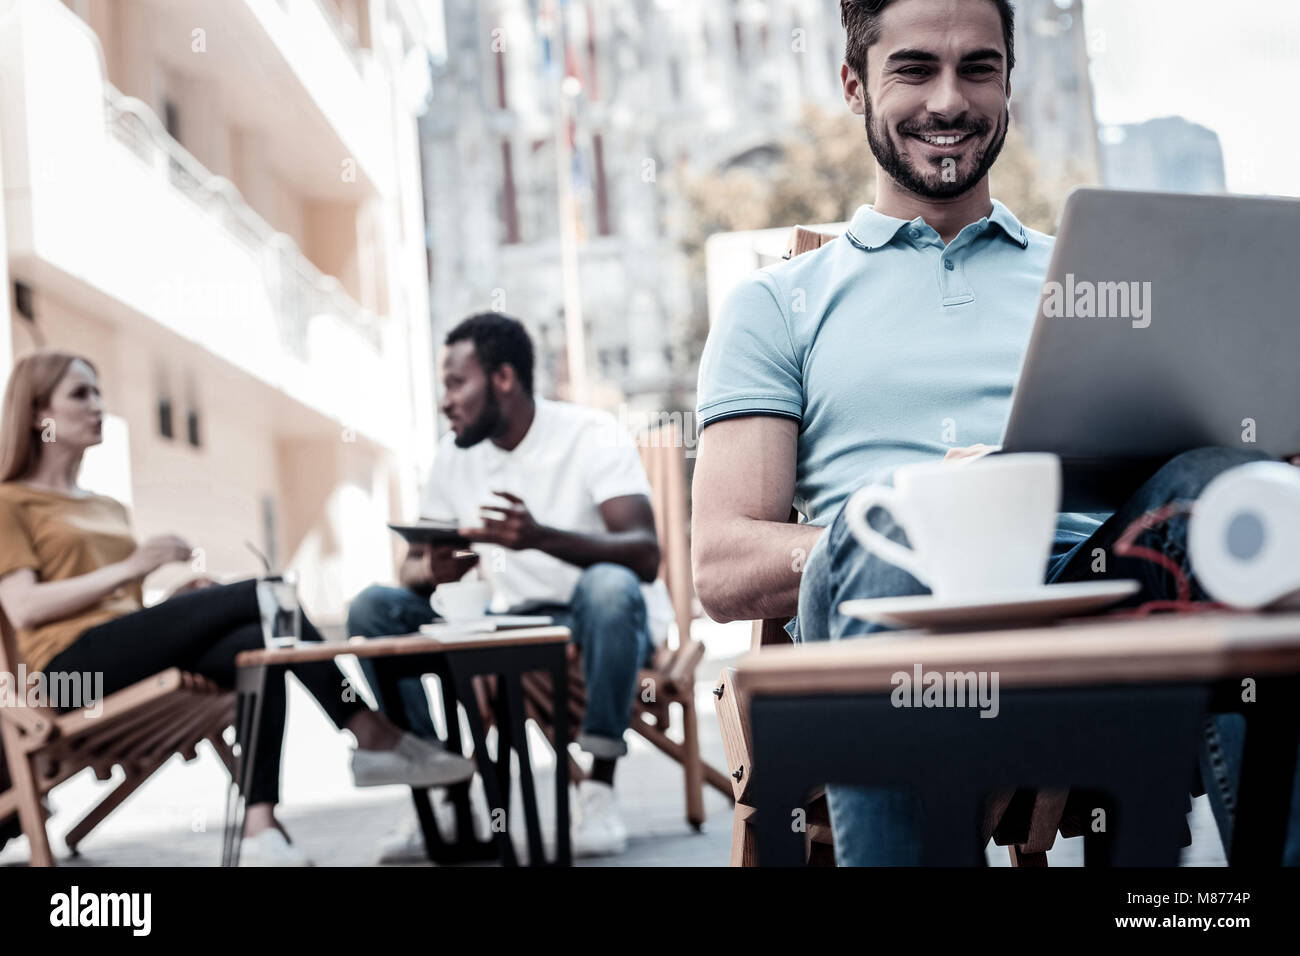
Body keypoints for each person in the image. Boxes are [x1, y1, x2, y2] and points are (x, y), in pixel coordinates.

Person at [691, 0, 1300, 865]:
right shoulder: (777, 304)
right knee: (896, 520)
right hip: (897, 607)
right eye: (914, 69)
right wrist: (938, 519)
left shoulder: (1097, 276)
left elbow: (1192, 485)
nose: (950, 100)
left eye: (978, 67)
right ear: (855, 85)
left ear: (1009, 83)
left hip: (1104, 607)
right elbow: (722, 563)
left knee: (1231, 490)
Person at [0, 351, 474, 866]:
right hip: (66, 676)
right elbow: (22, 607)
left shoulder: (105, 506)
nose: (97, 406)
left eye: (98, 392)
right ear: (37, 414)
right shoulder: (10, 501)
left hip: (116, 654)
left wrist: (178, 605)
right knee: (268, 592)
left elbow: (119, 613)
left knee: (258, 642)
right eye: (79, 394)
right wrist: (133, 567)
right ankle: (367, 729)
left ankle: (259, 830)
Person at [349, 312, 672, 859]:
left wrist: (539, 537)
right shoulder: (455, 455)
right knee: (372, 608)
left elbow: (644, 554)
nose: (445, 401)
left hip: (607, 624)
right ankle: (445, 791)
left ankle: (598, 790)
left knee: (608, 585)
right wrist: (432, 572)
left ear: (503, 378)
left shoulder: (588, 433)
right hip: (518, 622)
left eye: (457, 383)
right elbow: (412, 566)